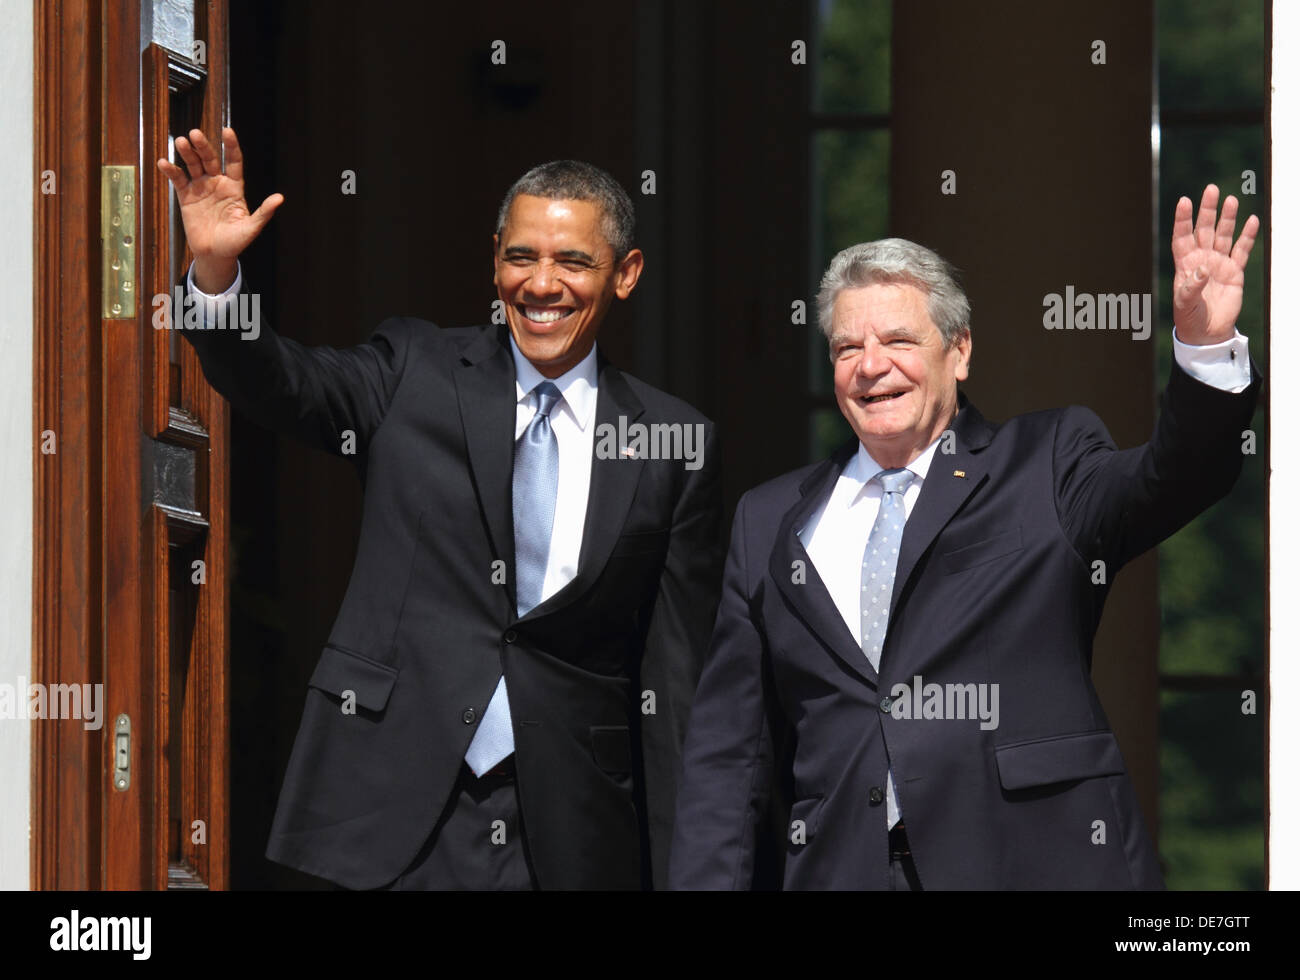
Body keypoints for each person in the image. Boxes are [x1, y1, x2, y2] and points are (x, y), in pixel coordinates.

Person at [157, 127, 723, 890]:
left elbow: (674, 680)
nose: (542, 283)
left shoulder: (670, 441)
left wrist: (689, 872)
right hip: (390, 805)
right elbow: (280, 381)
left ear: (625, 275)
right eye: (521, 256)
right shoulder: (415, 372)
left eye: (573, 262)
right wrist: (217, 270)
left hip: (570, 829)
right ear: (495, 260)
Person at [668, 185, 1260, 890]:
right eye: (847, 346)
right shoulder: (768, 520)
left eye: (897, 340)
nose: (870, 364)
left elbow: (1176, 477)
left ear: (960, 351)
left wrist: (1203, 344)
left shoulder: (1046, 461)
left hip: (1030, 860)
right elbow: (727, 756)